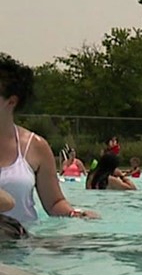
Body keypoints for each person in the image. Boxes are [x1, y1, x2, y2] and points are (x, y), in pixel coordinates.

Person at [0, 53, 97, 221]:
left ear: (11, 102)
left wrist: (74, 213)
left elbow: (54, 203)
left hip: (21, 241)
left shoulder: (34, 146)